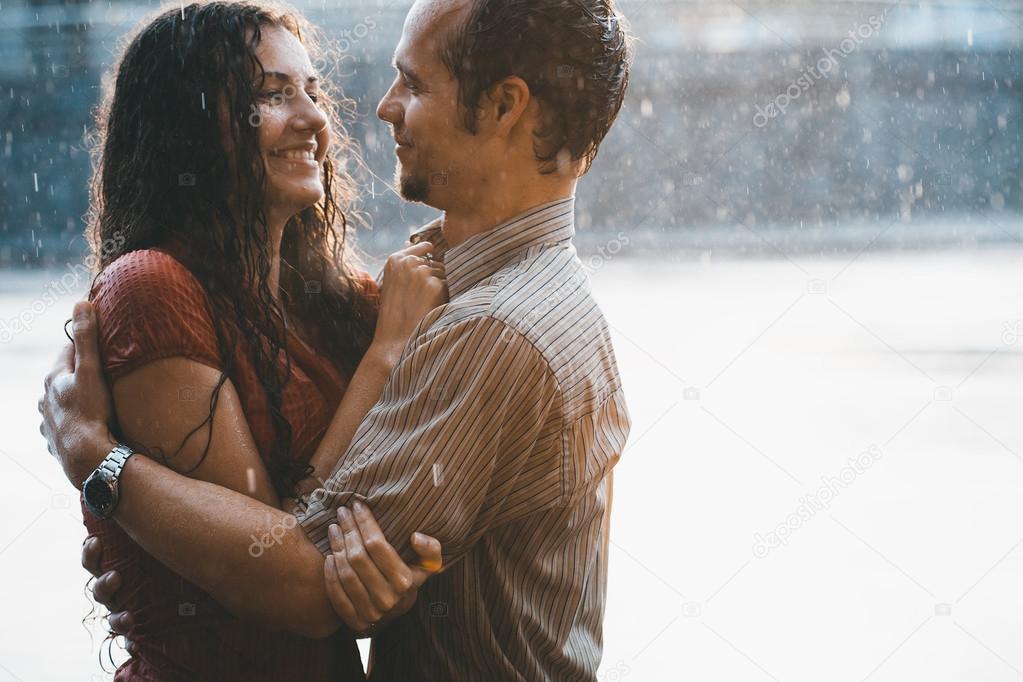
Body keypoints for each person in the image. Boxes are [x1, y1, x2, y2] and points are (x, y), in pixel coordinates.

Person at [41, 0, 634, 679]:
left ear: (504, 107)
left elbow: (305, 574)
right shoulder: (399, 298)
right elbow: (297, 572)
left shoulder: (448, 319)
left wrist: (95, 461)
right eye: (272, 94)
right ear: (190, 125)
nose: (341, 115)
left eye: (413, 82)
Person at [42, 2, 448, 679]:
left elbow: (388, 510)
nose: (316, 119)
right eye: (271, 94)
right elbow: (289, 584)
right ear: (189, 127)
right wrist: (386, 354)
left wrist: (403, 573)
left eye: (311, 91)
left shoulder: (327, 300)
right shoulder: (151, 288)